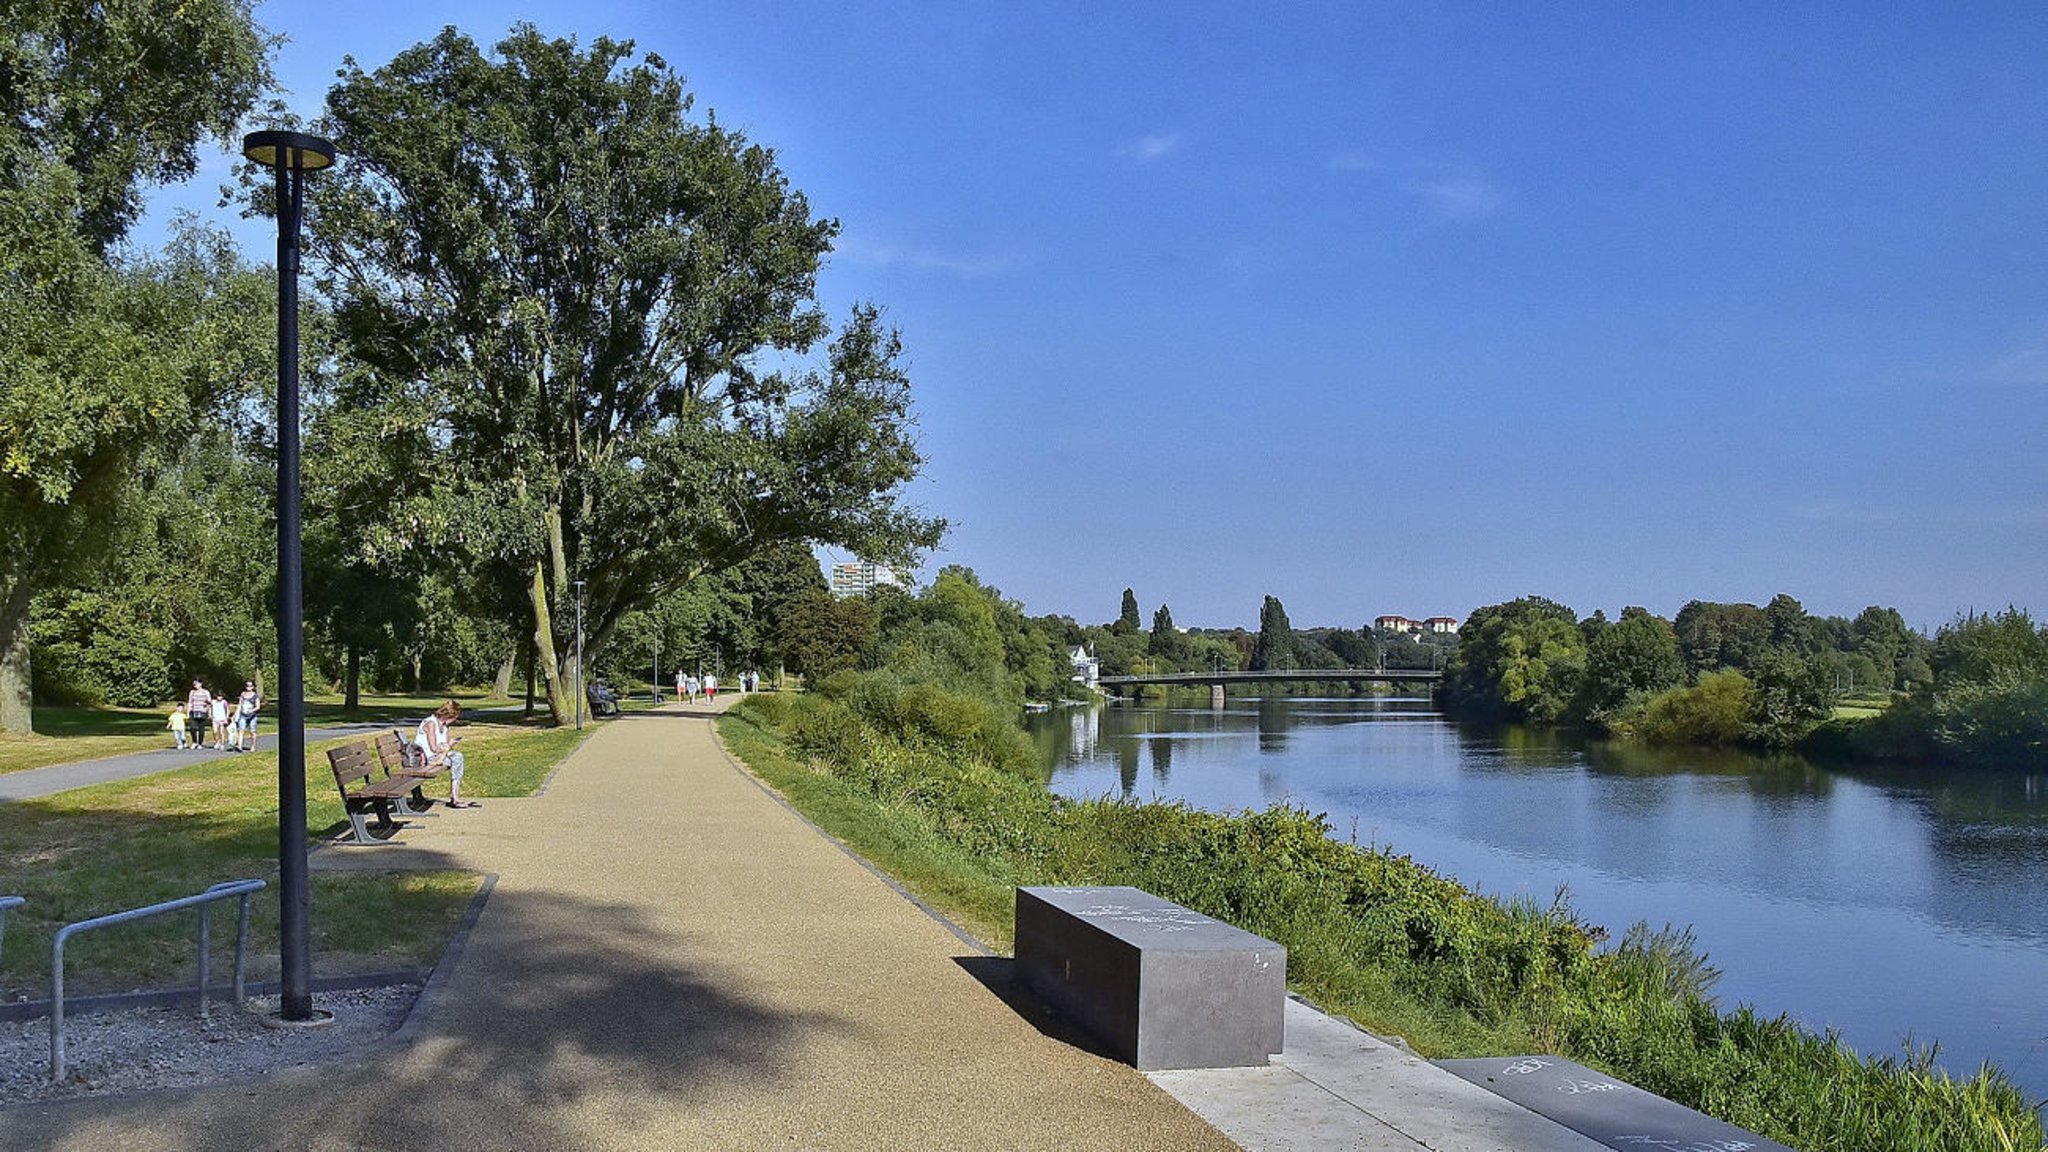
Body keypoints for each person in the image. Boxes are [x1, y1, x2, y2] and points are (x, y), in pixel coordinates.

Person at [417, 700, 476, 809]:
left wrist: (448, 745)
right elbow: (434, 748)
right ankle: (454, 797)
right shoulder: (431, 723)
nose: (455, 720)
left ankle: (455, 795)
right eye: (455, 717)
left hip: (439, 757)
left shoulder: (444, 727)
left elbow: (444, 748)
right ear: (449, 715)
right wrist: (449, 744)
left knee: (458, 757)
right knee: (457, 758)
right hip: (428, 758)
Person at [234, 681, 261, 752]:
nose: (248, 687)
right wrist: (236, 714)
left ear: (253, 687)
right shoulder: (243, 694)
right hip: (243, 714)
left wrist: (252, 710)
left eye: (250, 686)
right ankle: (239, 746)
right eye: (247, 685)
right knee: (241, 730)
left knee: (252, 731)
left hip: (252, 716)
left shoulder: (255, 696)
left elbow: (258, 706)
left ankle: (253, 746)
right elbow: (240, 704)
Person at [185, 681, 211, 752]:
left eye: (196, 684)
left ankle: (200, 743)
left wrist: (208, 711)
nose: (195, 685)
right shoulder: (192, 692)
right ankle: (194, 742)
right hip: (194, 711)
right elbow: (190, 702)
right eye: (194, 684)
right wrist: (188, 712)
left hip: (202, 712)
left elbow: (209, 703)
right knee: (192, 728)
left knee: (201, 729)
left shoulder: (206, 692)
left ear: (200, 684)